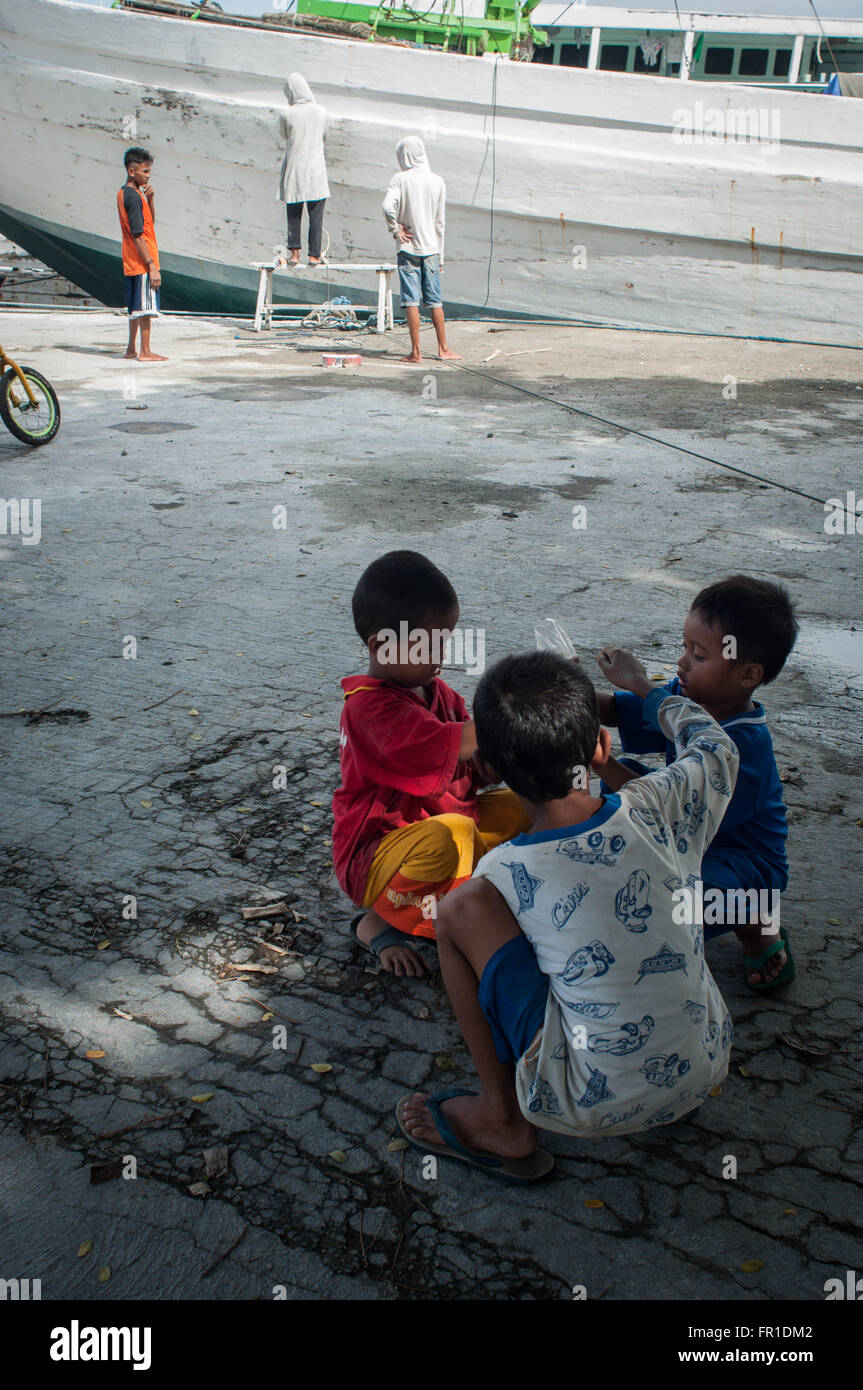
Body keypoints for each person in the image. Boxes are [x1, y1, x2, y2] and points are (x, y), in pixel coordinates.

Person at [397, 652, 738, 1181]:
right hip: (706, 1063)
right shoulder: (659, 804)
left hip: (584, 1099)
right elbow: (717, 745)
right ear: (601, 747)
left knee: (459, 911)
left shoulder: (505, 870)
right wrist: (647, 692)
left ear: (489, 767)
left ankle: (502, 1118)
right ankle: (666, 1075)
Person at [595, 575, 798, 992]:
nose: (682, 663)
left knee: (664, 902)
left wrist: (602, 761)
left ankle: (756, 921)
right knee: (620, 791)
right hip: (692, 837)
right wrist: (566, 690)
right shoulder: (687, 699)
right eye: (685, 647)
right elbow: (618, 710)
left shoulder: (743, 745)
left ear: (748, 674)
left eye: (698, 654)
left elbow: (666, 811)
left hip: (742, 863)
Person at [332, 551, 529, 978]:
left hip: (436, 828)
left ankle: (468, 895)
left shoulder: (434, 689)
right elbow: (445, 744)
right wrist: (525, 708)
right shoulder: (368, 708)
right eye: (429, 642)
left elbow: (468, 756)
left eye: (446, 638)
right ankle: (380, 923)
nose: (442, 651)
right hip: (377, 854)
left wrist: (488, 766)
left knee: (523, 803)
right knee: (452, 835)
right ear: (381, 645)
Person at [382, 138, 461, 365]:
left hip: (408, 248)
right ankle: (443, 349)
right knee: (435, 301)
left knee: (411, 301)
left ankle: (416, 352)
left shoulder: (399, 179)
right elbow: (440, 223)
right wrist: (441, 257)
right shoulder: (437, 181)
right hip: (432, 250)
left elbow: (387, 206)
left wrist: (395, 230)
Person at [117, 147, 166, 362]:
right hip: (142, 260)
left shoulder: (127, 193)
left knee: (135, 307)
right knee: (146, 309)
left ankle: (131, 348)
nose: (148, 175)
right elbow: (139, 234)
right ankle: (145, 351)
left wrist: (151, 200)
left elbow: (149, 225)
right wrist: (151, 265)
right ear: (131, 171)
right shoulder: (133, 197)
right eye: (145, 171)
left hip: (131, 259)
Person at [278, 74, 329, 267]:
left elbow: (284, 135)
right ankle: (314, 255)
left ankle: (294, 253)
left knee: (294, 212)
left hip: (295, 167)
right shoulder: (321, 112)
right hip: (316, 168)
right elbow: (325, 136)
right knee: (316, 214)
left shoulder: (287, 113)